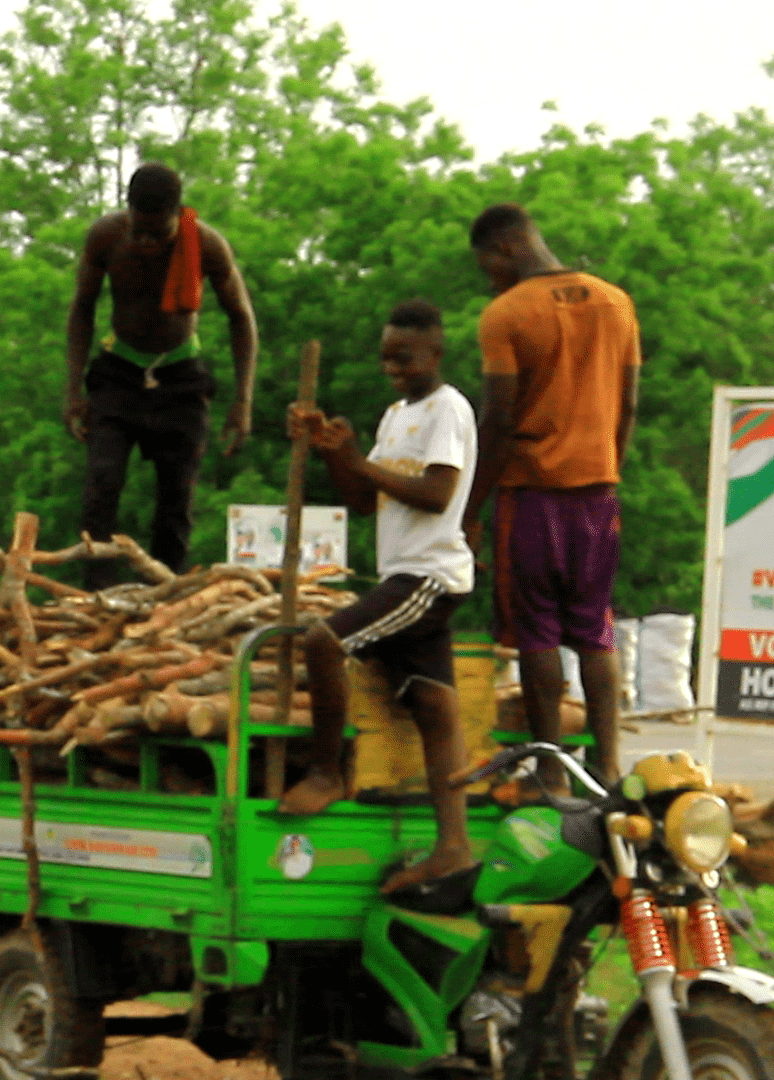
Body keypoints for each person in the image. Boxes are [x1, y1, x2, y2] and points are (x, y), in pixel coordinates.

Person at [278, 298, 478, 894]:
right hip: (401, 573)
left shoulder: (449, 410)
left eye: (405, 357)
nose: (393, 367)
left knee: (324, 642)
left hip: (425, 577)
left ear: (435, 353)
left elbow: (438, 494)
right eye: (387, 358)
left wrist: (359, 462)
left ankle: (325, 772)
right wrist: (337, 456)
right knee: (436, 709)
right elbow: (366, 501)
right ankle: (453, 848)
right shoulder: (396, 415)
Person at [460, 203, 641, 788]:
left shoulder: (507, 312)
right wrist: (607, 465)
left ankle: (550, 771)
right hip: (599, 493)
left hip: (532, 495)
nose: (487, 275)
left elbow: (498, 419)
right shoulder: (617, 303)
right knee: (595, 626)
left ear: (507, 249)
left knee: (538, 631)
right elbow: (630, 404)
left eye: (486, 262)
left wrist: (469, 510)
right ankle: (608, 765)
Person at [65, 163, 258, 588]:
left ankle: (165, 592)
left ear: (178, 215)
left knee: (176, 498)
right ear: (127, 213)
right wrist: (74, 389)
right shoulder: (105, 237)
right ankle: (98, 593)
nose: (147, 242)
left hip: (180, 378)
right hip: (117, 374)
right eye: (139, 231)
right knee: (102, 484)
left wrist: (242, 401)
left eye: (158, 233)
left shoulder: (207, 245)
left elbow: (241, 318)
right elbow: (82, 307)